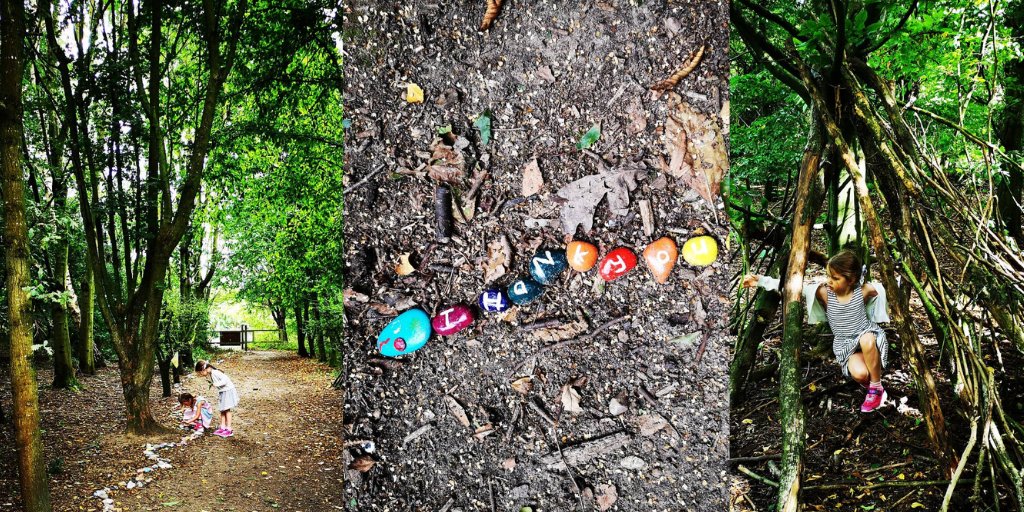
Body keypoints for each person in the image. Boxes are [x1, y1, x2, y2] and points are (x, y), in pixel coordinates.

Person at [742, 250, 890, 412]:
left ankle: (876, 388)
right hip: (846, 345)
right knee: (860, 375)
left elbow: (890, 287)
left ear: (851, 280)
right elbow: (793, 287)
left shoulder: (863, 291)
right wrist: (761, 281)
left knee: (867, 339)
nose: (829, 281)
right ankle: (870, 381)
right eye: (828, 276)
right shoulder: (825, 294)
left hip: (866, 336)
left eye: (835, 278)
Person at [195, 360, 239, 437]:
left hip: (227, 391)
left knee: (227, 410)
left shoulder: (215, 372)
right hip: (222, 391)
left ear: (203, 370)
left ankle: (229, 429)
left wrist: (217, 384)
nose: (201, 374)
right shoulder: (212, 373)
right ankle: (222, 427)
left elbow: (225, 380)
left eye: (200, 373)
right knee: (222, 409)